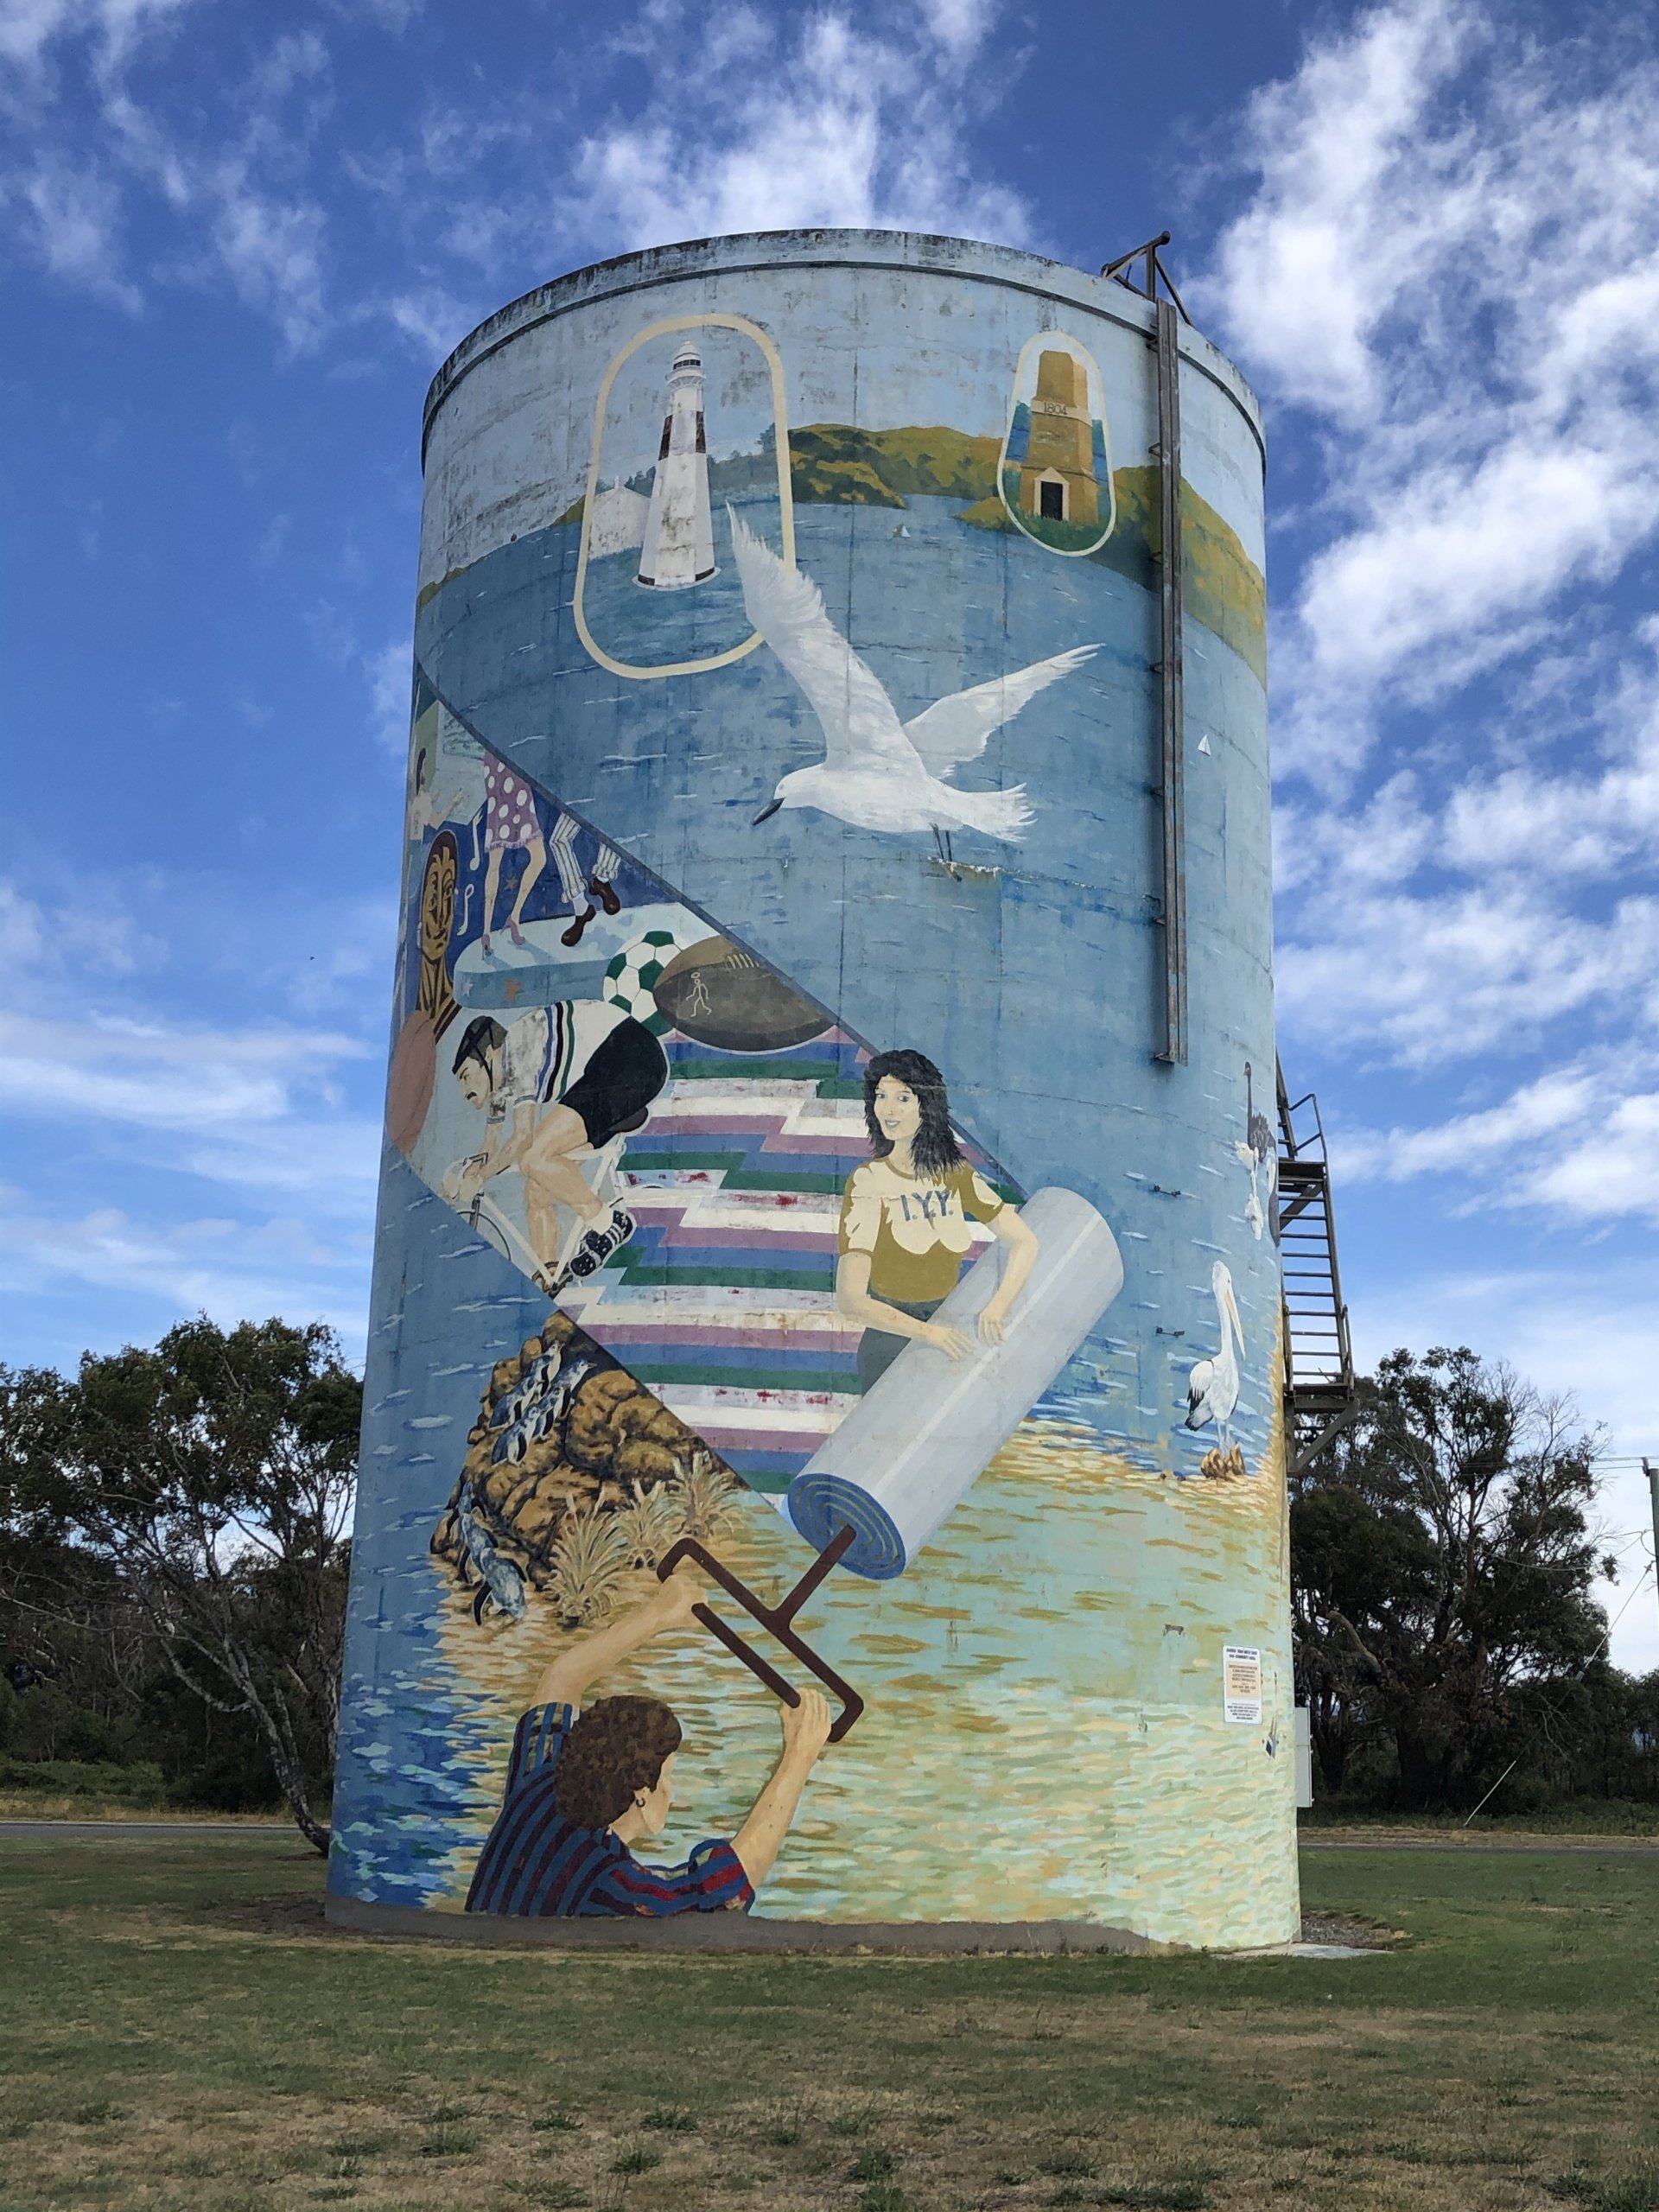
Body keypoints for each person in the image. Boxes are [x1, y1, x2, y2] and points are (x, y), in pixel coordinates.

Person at [464, 1570, 835, 1917]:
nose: (673, 1791)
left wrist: (657, 1615)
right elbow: (729, 1885)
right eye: (670, 1776)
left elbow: (561, 1679)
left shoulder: (540, 1785)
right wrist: (799, 1757)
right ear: (641, 1793)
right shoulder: (611, 1885)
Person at [836, 1047, 1039, 1393]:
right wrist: (929, 1334)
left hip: (951, 1343)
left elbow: (1025, 1241)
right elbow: (851, 1300)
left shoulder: (955, 1174)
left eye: (902, 1097)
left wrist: (997, 1307)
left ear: (925, 1106)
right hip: (892, 1348)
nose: (888, 1108)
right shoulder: (868, 1181)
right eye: (881, 1096)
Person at [441, 1000, 666, 1287]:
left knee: (533, 1158)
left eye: (466, 1077)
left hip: (627, 1057)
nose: (464, 1091)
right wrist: (469, 1172)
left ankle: (608, 1223)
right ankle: (548, 1276)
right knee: (537, 1187)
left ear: (488, 1053)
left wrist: (483, 1177)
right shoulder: (500, 1087)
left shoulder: (519, 1048)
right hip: (604, 1072)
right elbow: (490, 1147)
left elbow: (522, 1138)